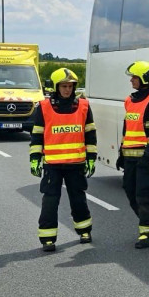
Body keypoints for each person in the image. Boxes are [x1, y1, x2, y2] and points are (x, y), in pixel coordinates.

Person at [29, 68, 97, 252]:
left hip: (76, 163)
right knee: (50, 201)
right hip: (53, 165)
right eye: (63, 86)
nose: (67, 89)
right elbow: (37, 135)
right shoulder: (44, 107)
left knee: (78, 199)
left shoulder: (83, 105)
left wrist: (91, 158)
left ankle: (84, 231)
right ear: (56, 87)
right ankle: (47, 238)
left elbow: (90, 133)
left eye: (70, 86)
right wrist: (34, 158)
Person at [116, 61, 149, 249]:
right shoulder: (130, 100)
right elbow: (128, 129)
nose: (131, 80)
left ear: (145, 79)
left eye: (135, 77)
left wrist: (148, 154)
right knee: (130, 191)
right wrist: (121, 154)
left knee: (143, 194)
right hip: (130, 156)